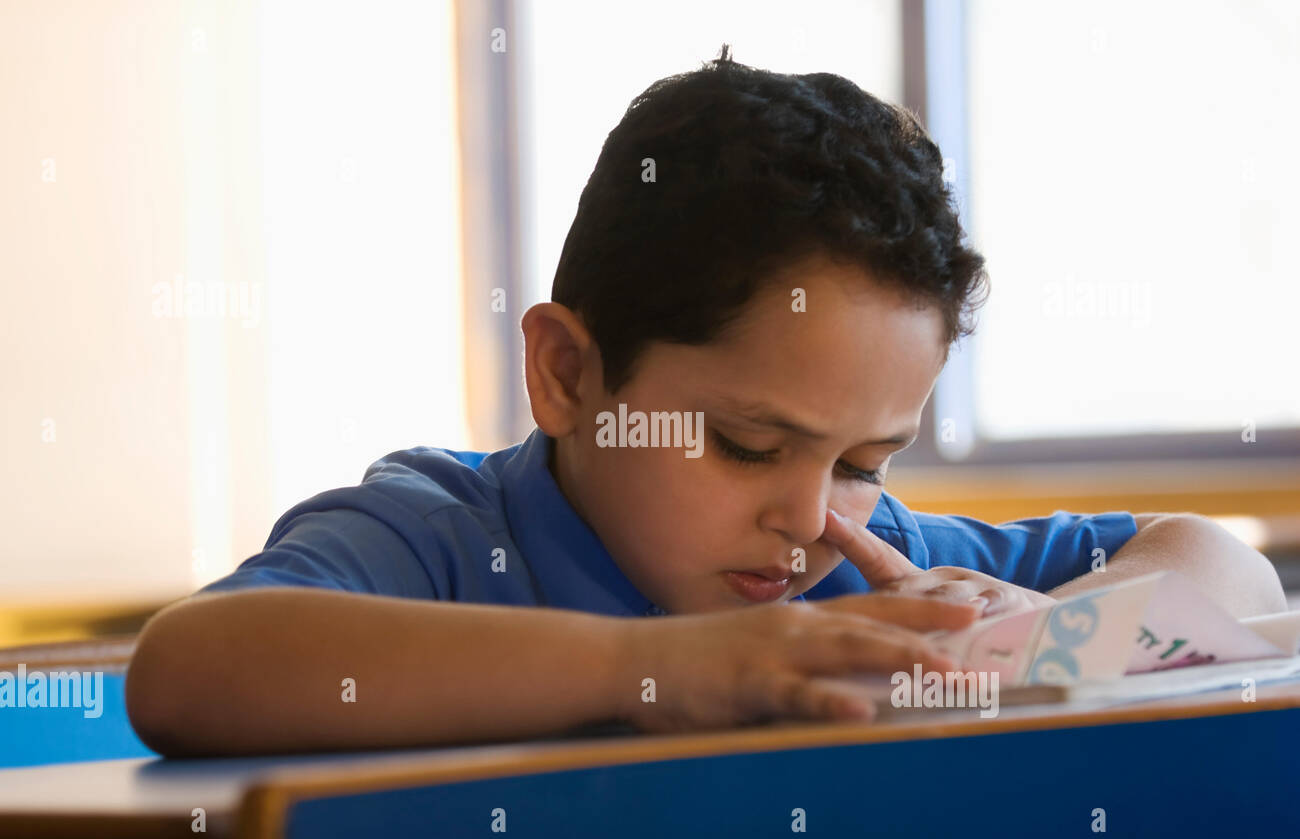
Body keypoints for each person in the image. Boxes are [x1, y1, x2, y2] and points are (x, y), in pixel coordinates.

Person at [125, 46, 1286, 757]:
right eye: (745, 443)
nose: (810, 517)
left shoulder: (874, 565)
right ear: (568, 376)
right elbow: (189, 668)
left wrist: (1033, 636)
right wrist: (672, 669)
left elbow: (1220, 569)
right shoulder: (438, 538)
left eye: (866, 457)